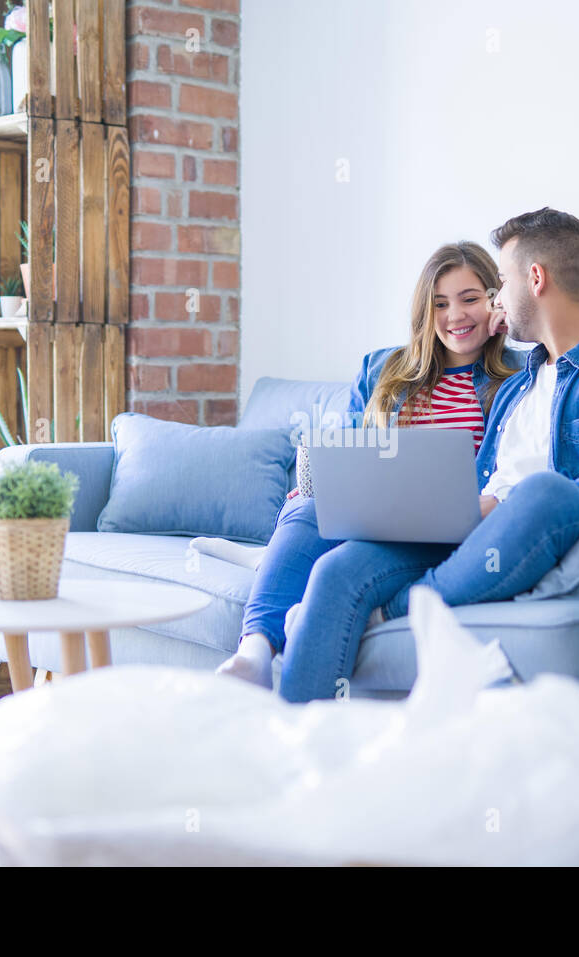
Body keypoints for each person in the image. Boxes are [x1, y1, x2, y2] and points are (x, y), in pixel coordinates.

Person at [247, 207, 579, 702]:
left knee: (544, 492)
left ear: (535, 279)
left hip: (526, 524)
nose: (498, 297)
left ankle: (400, 607)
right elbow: (476, 478)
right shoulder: (523, 384)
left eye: (500, 281)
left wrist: (497, 507)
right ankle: (289, 751)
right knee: (335, 570)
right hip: (463, 531)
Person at [216, 241, 519, 687]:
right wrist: (323, 482)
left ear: (494, 300)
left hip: (447, 529)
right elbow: (346, 448)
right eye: (440, 303)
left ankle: (276, 567)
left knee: (333, 559)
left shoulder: (515, 377)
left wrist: (511, 320)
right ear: (424, 310)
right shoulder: (385, 367)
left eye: (470, 299)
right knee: (305, 505)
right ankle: (254, 652)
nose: (455, 315)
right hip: (374, 514)